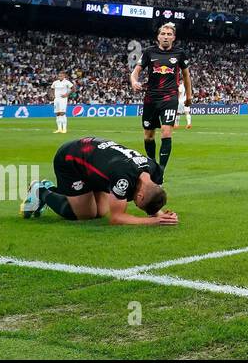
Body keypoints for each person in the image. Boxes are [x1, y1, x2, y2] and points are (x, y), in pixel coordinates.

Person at [20, 137, 176, 226]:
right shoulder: (123, 177)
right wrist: (152, 222)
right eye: (138, 203)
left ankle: (56, 190)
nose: (135, 204)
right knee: (84, 215)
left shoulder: (154, 171)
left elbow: (151, 195)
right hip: (71, 160)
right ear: (140, 196)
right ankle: (40, 190)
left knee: (100, 212)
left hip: (95, 163)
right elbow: (116, 218)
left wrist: (161, 215)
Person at [129, 23, 189, 172]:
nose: (166, 36)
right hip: (151, 98)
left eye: (169, 34)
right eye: (163, 34)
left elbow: (186, 76)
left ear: (174, 37)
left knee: (166, 131)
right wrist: (134, 81)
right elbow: (135, 71)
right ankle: (152, 164)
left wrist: (190, 95)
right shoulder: (149, 52)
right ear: (158, 37)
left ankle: (160, 170)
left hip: (170, 97)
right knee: (149, 135)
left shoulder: (179, 53)